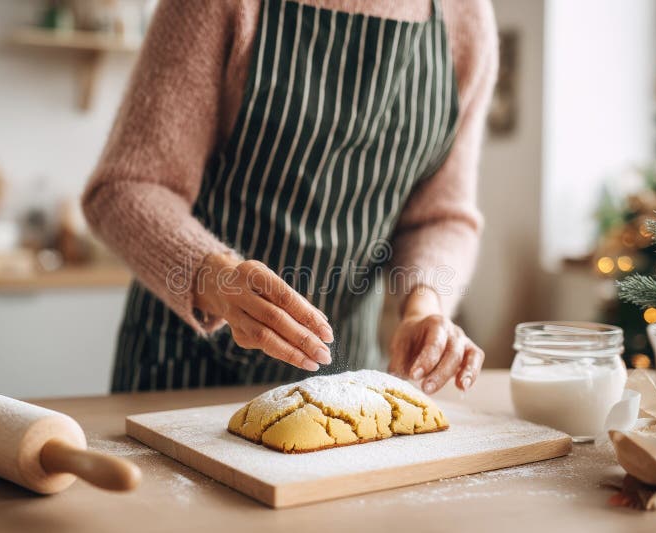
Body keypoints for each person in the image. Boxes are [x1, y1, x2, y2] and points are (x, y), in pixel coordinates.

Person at [82, 0, 497, 394]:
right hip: (183, 375)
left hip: (342, 383)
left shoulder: (464, 17)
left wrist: (425, 306)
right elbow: (126, 185)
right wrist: (217, 278)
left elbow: (440, 216)